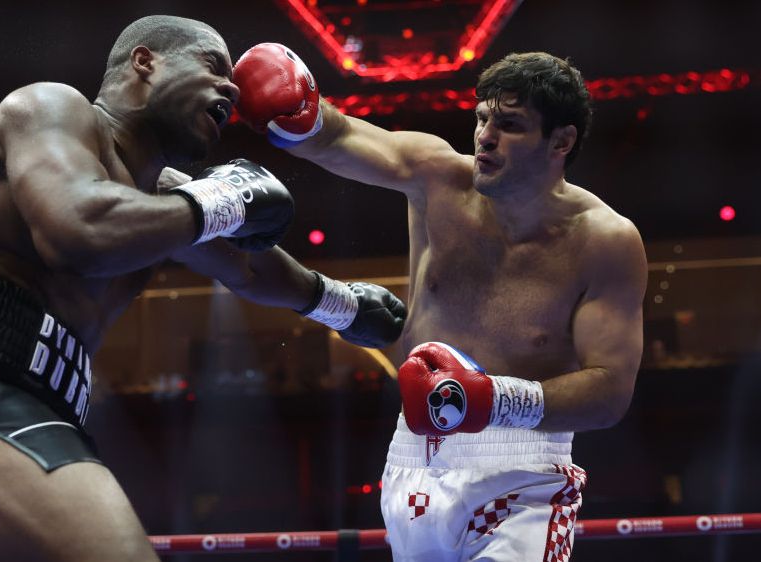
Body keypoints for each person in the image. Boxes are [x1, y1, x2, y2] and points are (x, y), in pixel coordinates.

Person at [0, 17, 406, 562]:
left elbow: (250, 268)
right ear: (145, 62)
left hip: (17, 401)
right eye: (213, 66)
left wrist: (344, 305)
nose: (232, 88)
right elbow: (80, 231)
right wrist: (223, 200)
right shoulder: (50, 108)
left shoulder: (159, 200)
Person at [233, 45, 647, 561]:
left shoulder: (604, 240)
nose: (485, 136)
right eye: (482, 118)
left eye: (510, 125)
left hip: (524, 471)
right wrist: (300, 115)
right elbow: (336, 136)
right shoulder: (436, 177)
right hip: (414, 461)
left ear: (561, 141)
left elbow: (610, 393)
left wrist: (493, 398)